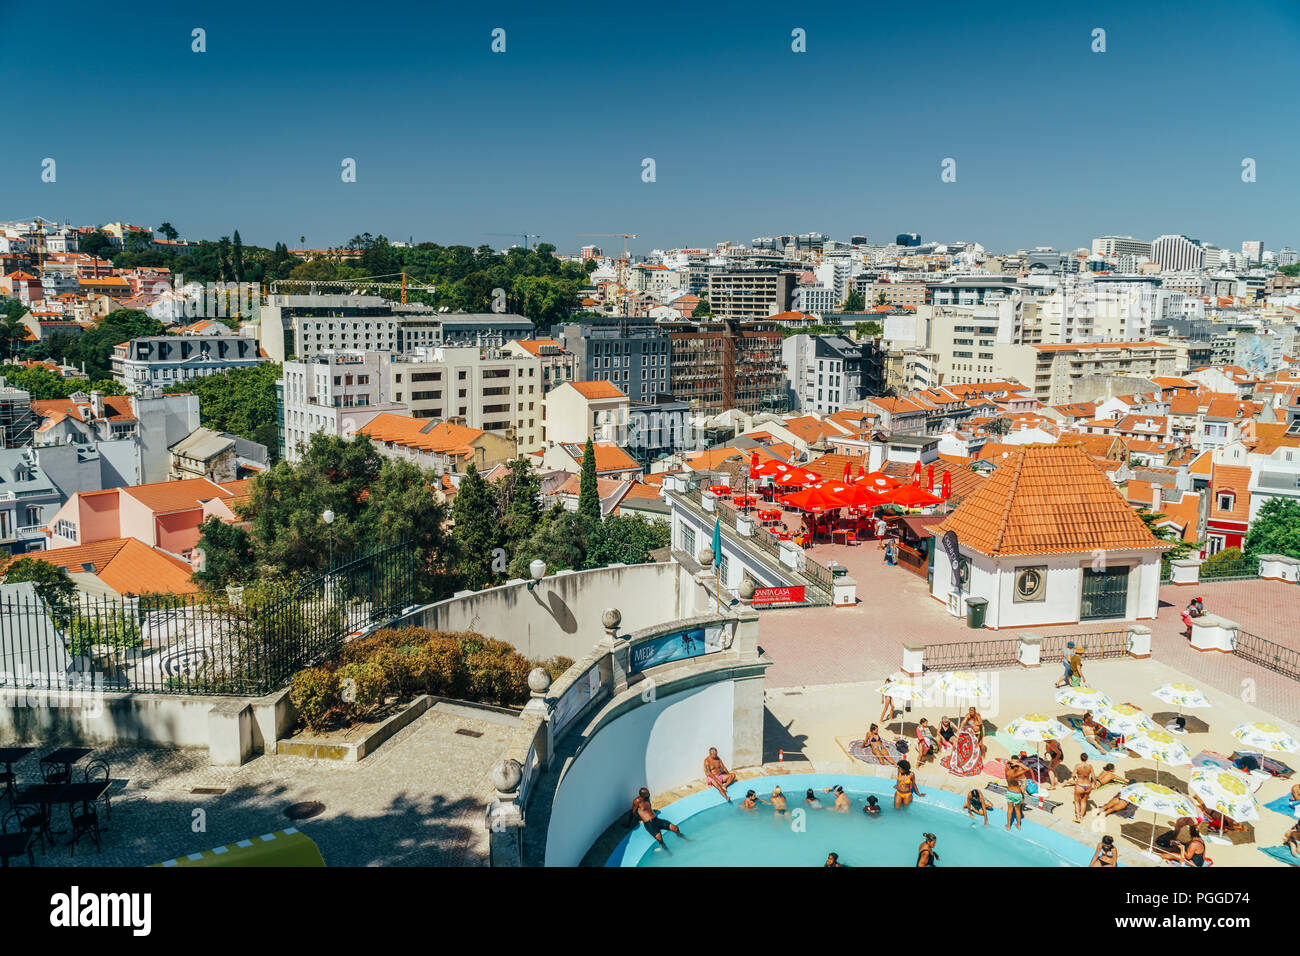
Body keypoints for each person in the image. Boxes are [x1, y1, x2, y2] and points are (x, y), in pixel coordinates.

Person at [1064, 753, 1095, 823]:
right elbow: (1093, 777)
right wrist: (1094, 784)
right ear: (1087, 758)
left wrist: (1075, 778)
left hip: (1080, 785)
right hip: (1088, 785)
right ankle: (1081, 817)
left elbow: (1073, 775)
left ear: (1080, 758)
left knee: (1077, 802)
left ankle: (1077, 817)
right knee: (1083, 801)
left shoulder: (1078, 766)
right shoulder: (1090, 766)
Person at [1004, 756, 1027, 830]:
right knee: (1017, 810)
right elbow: (1027, 769)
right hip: (1017, 794)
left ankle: (1008, 826)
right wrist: (1018, 763)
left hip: (1009, 792)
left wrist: (1009, 762)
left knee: (1009, 809)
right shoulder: (1017, 774)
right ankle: (1018, 825)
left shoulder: (1007, 772)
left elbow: (1006, 765)